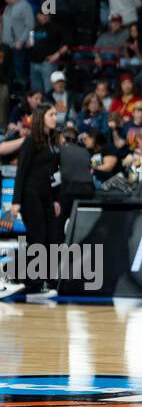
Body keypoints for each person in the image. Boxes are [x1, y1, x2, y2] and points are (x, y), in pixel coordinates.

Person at [11, 104, 62, 298]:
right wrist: (16, 201)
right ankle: (32, 284)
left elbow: (55, 173)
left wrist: (56, 198)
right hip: (30, 195)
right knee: (37, 239)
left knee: (51, 239)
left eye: (56, 114)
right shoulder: (31, 140)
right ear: (42, 117)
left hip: (47, 196)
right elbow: (21, 171)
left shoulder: (53, 141)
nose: (55, 118)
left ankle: (47, 281)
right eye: (51, 114)